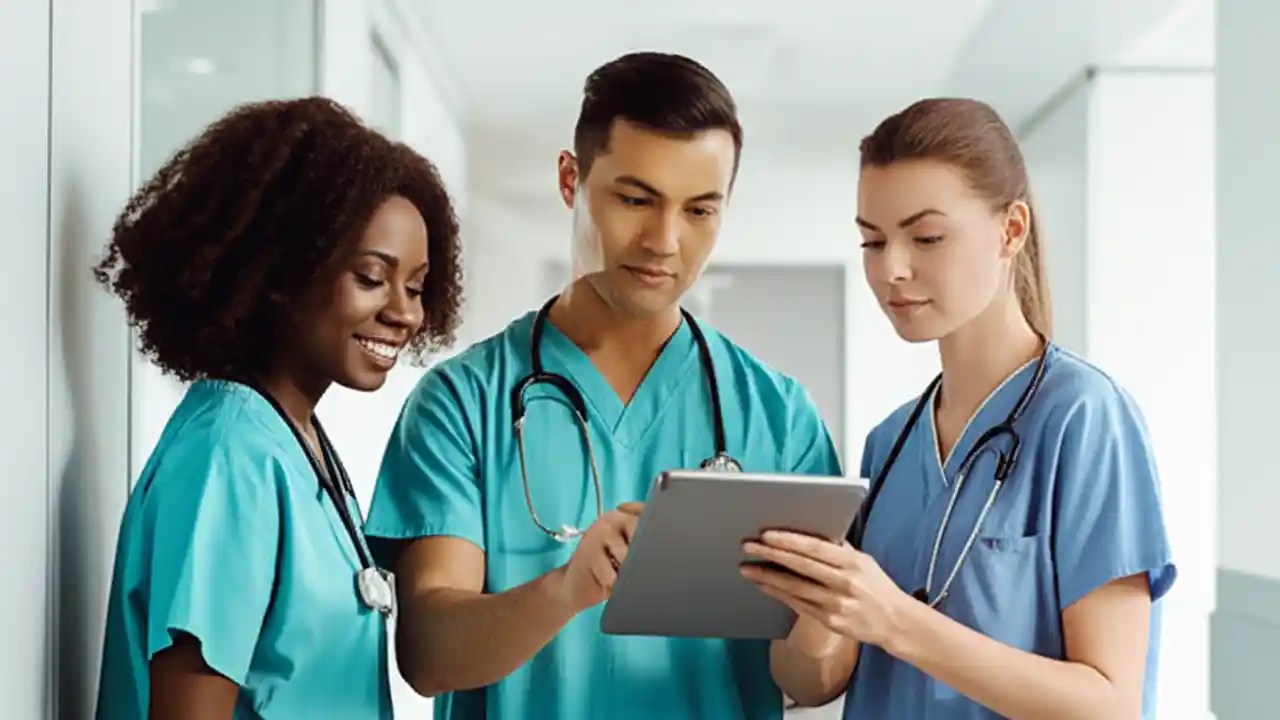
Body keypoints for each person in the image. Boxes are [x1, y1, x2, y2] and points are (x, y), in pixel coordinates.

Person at [363, 51, 842, 719]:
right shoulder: (462, 403)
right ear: (571, 178)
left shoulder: (778, 415)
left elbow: (811, 679)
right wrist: (566, 590)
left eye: (700, 210)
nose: (664, 240)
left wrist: (825, 616)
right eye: (635, 199)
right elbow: (429, 657)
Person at [742, 97, 1177, 719]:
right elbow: (812, 684)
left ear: (1011, 230)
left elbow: (1108, 706)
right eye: (872, 241)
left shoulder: (1085, 418)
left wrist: (894, 620)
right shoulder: (889, 443)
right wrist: (815, 605)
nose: (891, 269)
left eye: (927, 238)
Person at [93, 96, 463, 720]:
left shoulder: (295, 440)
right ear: (281, 268)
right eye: (372, 277)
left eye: (417, 287)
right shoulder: (230, 455)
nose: (404, 312)